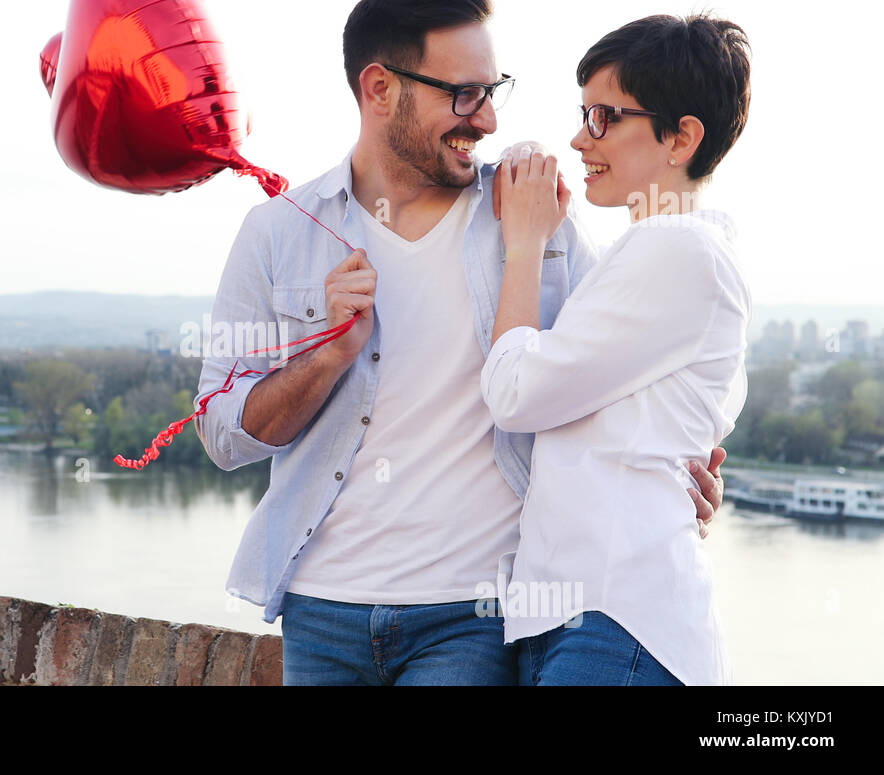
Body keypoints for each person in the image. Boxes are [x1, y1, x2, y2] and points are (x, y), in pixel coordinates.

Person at [193, 0, 726, 686]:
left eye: (493, 91)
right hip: (319, 608)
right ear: (380, 89)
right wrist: (327, 356)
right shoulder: (277, 233)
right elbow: (222, 433)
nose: (490, 119)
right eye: (465, 95)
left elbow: (629, 368)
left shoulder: (537, 217)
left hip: (474, 613)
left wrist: (685, 470)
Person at [485, 13, 752, 685]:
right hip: (589, 615)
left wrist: (524, 244)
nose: (580, 138)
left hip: (618, 617)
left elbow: (515, 393)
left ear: (682, 137)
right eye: (582, 114)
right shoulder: (662, 252)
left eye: (605, 117)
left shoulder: (676, 249)